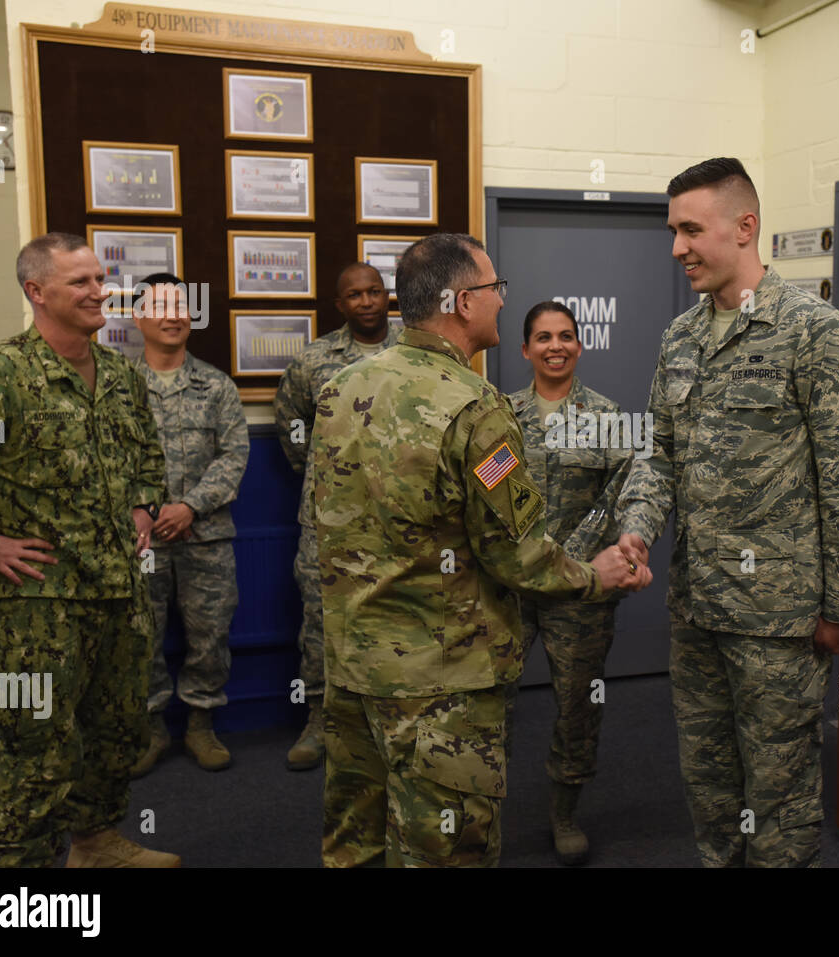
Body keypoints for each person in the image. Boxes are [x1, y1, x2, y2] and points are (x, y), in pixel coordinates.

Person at [314, 232, 651, 868]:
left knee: (355, 843)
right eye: (495, 290)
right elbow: (514, 553)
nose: (501, 301)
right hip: (442, 677)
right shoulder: (477, 407)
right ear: (462, 301)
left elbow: (325, 523)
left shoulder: (343, 388)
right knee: (443, 849)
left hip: (354, 665)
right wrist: (594, 574)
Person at [616, 158, 839, 867]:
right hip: (698, 606)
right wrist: (637, 530)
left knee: (780, 797)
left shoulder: (816, 333)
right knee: (708, 784)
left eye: (689, 229)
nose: (676, 247)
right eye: (672, 230)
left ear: (745, 228)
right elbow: (658, 454)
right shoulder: (681, 338)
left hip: (780, 619)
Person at [0, 233, 177, 867]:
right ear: (36, 292)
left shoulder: (122, 374)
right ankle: (25, 874)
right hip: (33, 602)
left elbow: (146, 454)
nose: (99, 291)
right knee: (38, 745)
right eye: (80, 282)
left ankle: (96, 843)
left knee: (116, 731)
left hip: (118, 591)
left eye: (99, 278)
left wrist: (143, 504)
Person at [504, 300, 632, 865]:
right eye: (543, 337)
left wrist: (567, 561)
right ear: (525, 349)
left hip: (580, 590)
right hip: (508, 587)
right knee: (487, 702)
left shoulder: (608, 418)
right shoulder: (501, 417)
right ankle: (480, 810)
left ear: (580, 346)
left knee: (577, 704)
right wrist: (525, 558)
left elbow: (620, 497)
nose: (555, 346)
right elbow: (493, 496)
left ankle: (564, 813)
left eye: (565, 336)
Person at [273, 262, 396, 770]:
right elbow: (291, 426)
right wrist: (329, 475)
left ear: (388, 296)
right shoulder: (315, 360)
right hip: (328, 518)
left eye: (374, 291)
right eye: (354, 295)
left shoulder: (418, 348)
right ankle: (320, 723)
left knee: (396, 614)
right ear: (339, 304)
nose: (366, 302)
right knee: (321, 621)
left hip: (399, 517)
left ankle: (390, 721)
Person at [128, 273, 249, 776]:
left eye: (181, 305)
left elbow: (234, 453)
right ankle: (151, 727)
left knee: (209, 633)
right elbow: (108, 454)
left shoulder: (216, 384)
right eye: (160, 305)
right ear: (139, 317)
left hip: (205, 535)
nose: (174, 314)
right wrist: (142, 506)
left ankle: (201, 723)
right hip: (141, 538)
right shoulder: (119, 386)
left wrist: (190, 507)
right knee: (140, 633)